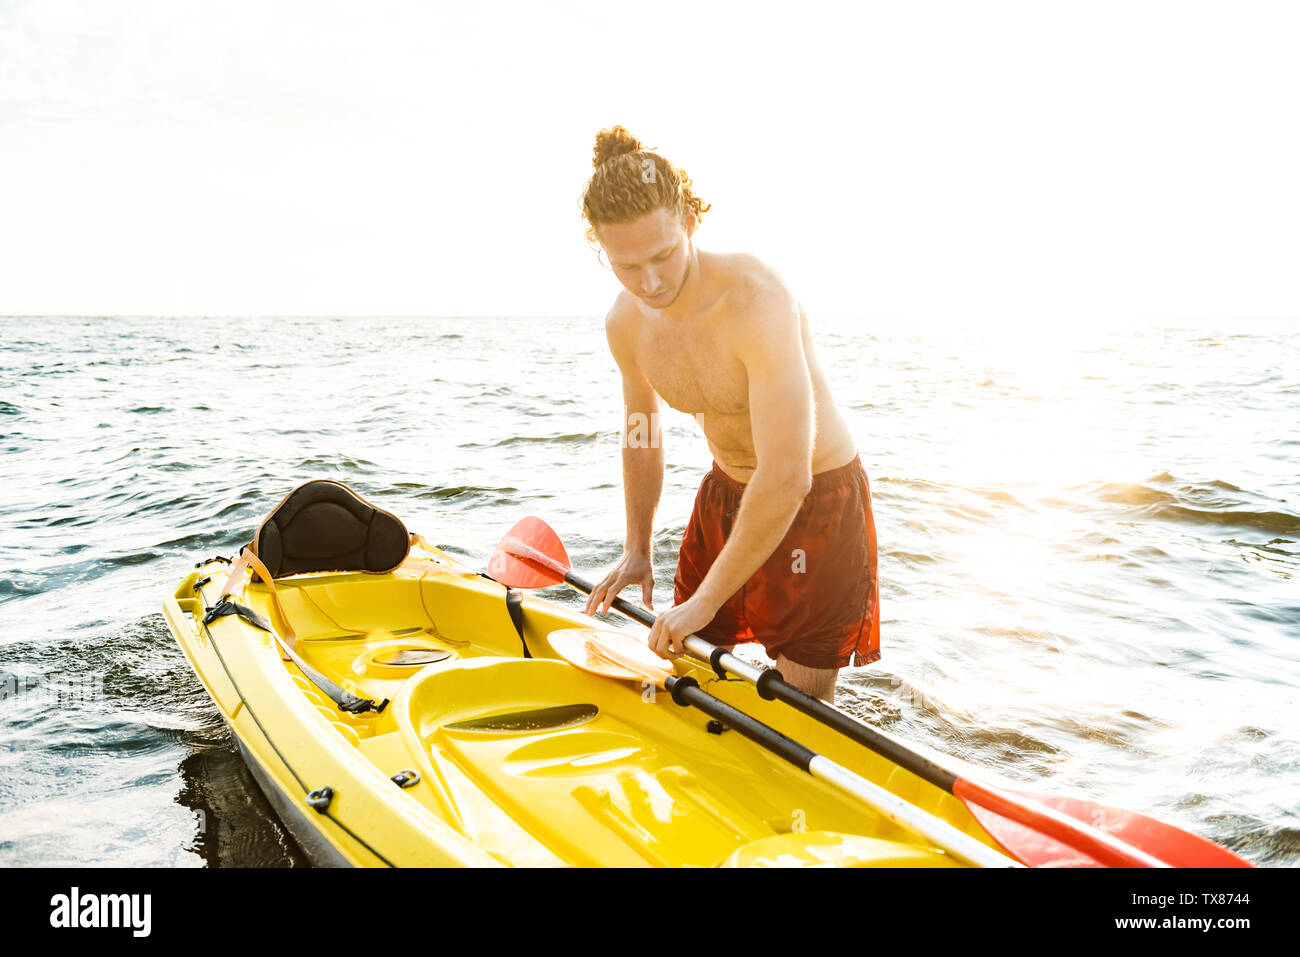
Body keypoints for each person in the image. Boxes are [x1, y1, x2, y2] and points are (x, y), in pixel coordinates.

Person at [579, 126, 879, 702]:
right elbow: (642, 433)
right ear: (601, 249)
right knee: (687, 680)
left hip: (816, 503)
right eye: (627, 266)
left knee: (801, 710)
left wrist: (705, 601)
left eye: (664, 255)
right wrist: (636, 547)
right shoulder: (626, 324)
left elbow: (788, 475)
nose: (652, 282)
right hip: (725, 495)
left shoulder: (756, 300)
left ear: (690, 222)